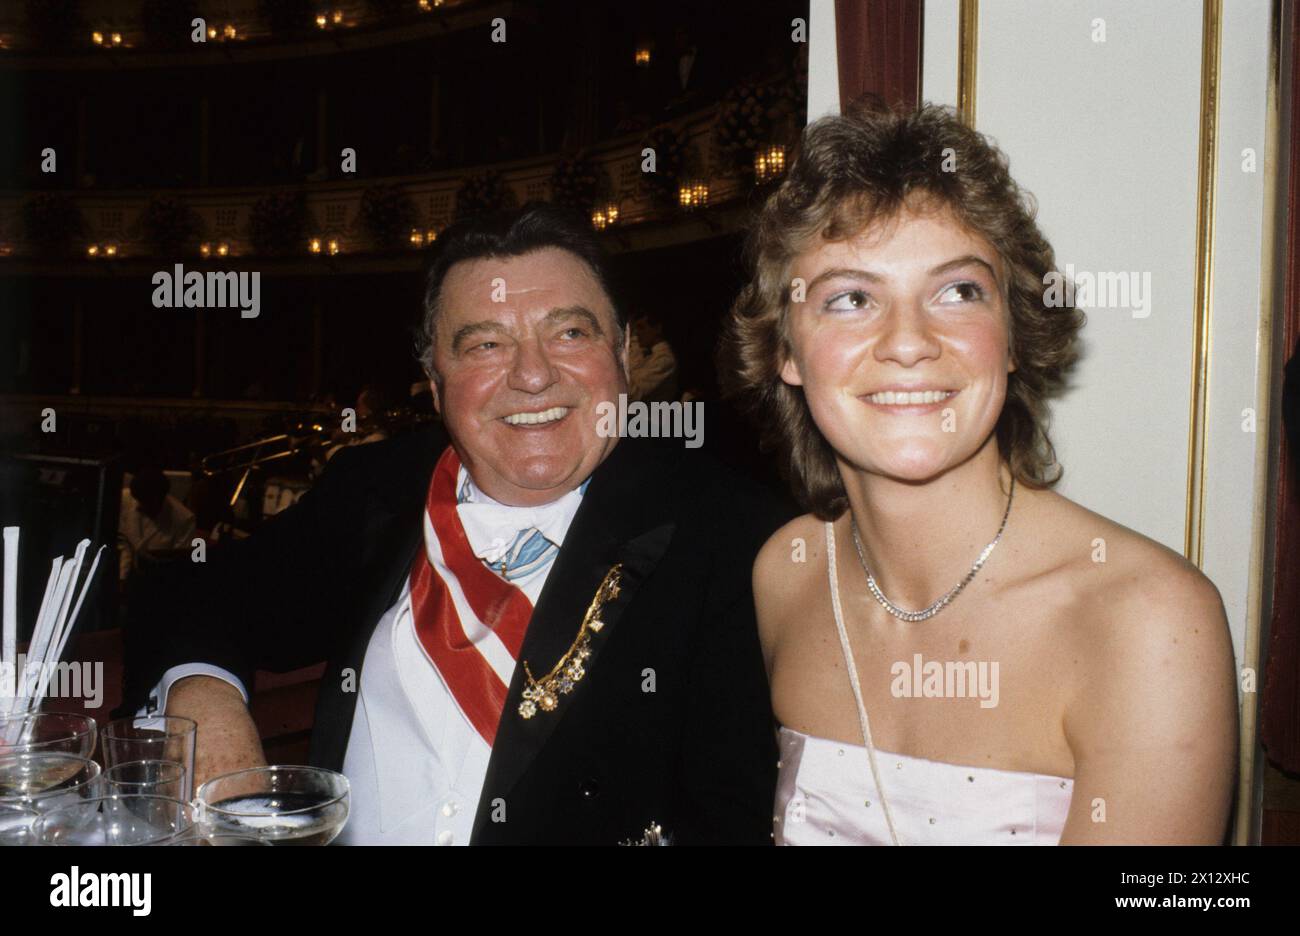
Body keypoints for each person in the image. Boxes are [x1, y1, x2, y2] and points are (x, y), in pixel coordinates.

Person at [127, 204, 786, 845]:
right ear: (435, 383)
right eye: (486, 344)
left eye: (570, 333)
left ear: (624, 353)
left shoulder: (734, 537)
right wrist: (204, 697)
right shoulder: (378, 490)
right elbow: (197, 590)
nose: (532, 375)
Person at [721, 102, 1237, 845]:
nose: (908, 342)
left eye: (957, 291)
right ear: (788, 354)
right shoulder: (787, 573)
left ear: (1015, 336)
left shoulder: (1149, 622)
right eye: (851, 298)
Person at [117, 464, 196, 585]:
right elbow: (123, 542)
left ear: (162, 498)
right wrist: (122, 578)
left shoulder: (184, 519)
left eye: (149, 502)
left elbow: (180, 563)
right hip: (125, 572)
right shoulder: (126, 499)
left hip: (160, 580)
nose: (143, 506)